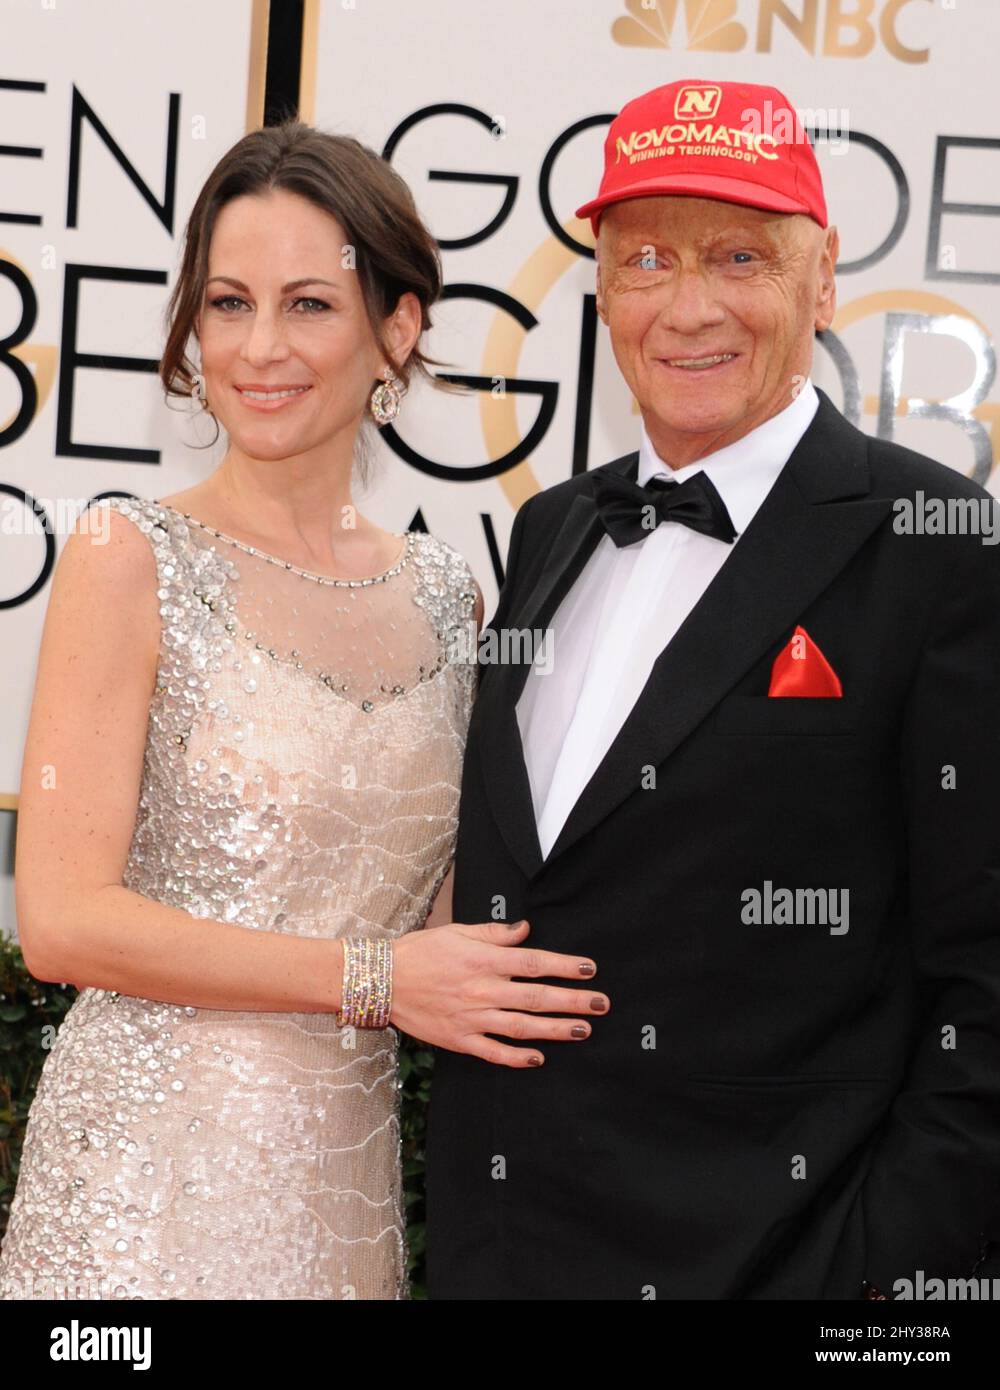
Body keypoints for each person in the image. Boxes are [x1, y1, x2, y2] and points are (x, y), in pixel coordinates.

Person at [0, 121, 601, 1302]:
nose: (259, 347)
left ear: (399, 328)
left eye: (309, 305)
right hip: (138, 1200)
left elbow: (446, 911)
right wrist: (378, 979)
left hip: (344, 1196)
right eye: (228, 303)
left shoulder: (447, 592)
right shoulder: (132, 556)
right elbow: (63, 919)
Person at [424, 78, 1000, 1299]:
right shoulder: (553, 530)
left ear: (823, 276)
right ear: (601, 287)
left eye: (739, 255)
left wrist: (872, 1277)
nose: (687, 308)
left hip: (774, 1263)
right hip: (507, 1253)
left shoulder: (938, 542)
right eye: (644, 260)